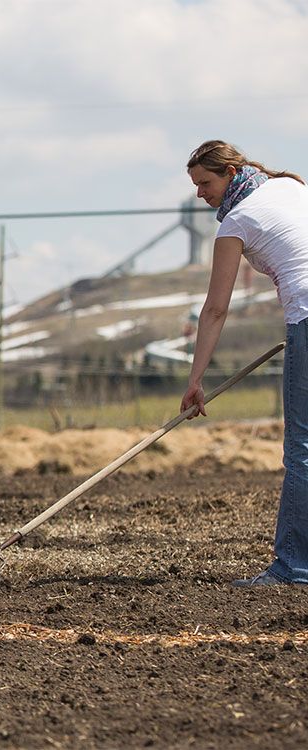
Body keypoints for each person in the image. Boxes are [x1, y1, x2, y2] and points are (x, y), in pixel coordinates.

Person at [182, 139, 308, 587]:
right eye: (195, 186)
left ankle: (294, 567)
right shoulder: (290, 186)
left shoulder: (237, 220)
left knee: (302, 449)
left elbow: (216, 308)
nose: (200, 194)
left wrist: (195, 379)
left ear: (232, 174)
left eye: (206, 183)